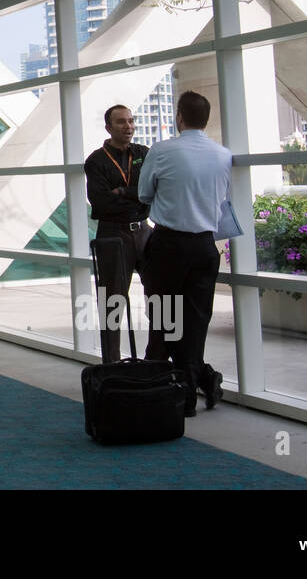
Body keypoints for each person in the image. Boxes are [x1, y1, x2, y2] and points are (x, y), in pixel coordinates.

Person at [136, 91, 230, 417]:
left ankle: (167, 394)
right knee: (195, 323)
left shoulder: (162, 150)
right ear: (206, 118)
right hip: (205, 247)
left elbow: (144, 194)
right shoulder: (222, 155)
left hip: (168, 246)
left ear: (179, 117)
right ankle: (191, 392)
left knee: (164, 320)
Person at [84, 104, 152, 363]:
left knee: (162, 296)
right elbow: (101, 203)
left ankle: (156, 361)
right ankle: (111, 365)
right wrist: (138, 197)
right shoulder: (96, 161)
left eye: (131, 121)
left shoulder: (143, 153)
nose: (129, 126)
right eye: (122, 122)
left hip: (144, 231)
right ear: (108, 128)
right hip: (113, 234)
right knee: (112, 303)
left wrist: (124, 192)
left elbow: (153, 191)